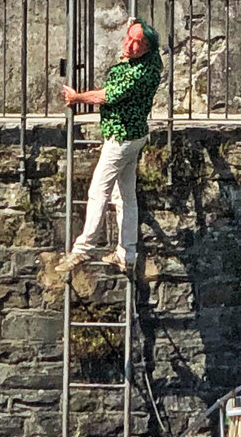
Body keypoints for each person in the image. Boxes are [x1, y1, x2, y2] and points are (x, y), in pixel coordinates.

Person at [54, 18, 164, 274]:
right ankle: (127, 253)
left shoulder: (137, 73)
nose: (131, 45)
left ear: (147, 48)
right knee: (124, 195)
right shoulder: (152, 62)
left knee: (98, 191)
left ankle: (83, 248)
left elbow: (108, 96)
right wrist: (135, 22)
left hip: (121, 138)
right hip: (135, 136)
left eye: (139, 43)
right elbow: (142, 37)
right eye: (129, 38)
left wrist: (77, 98)